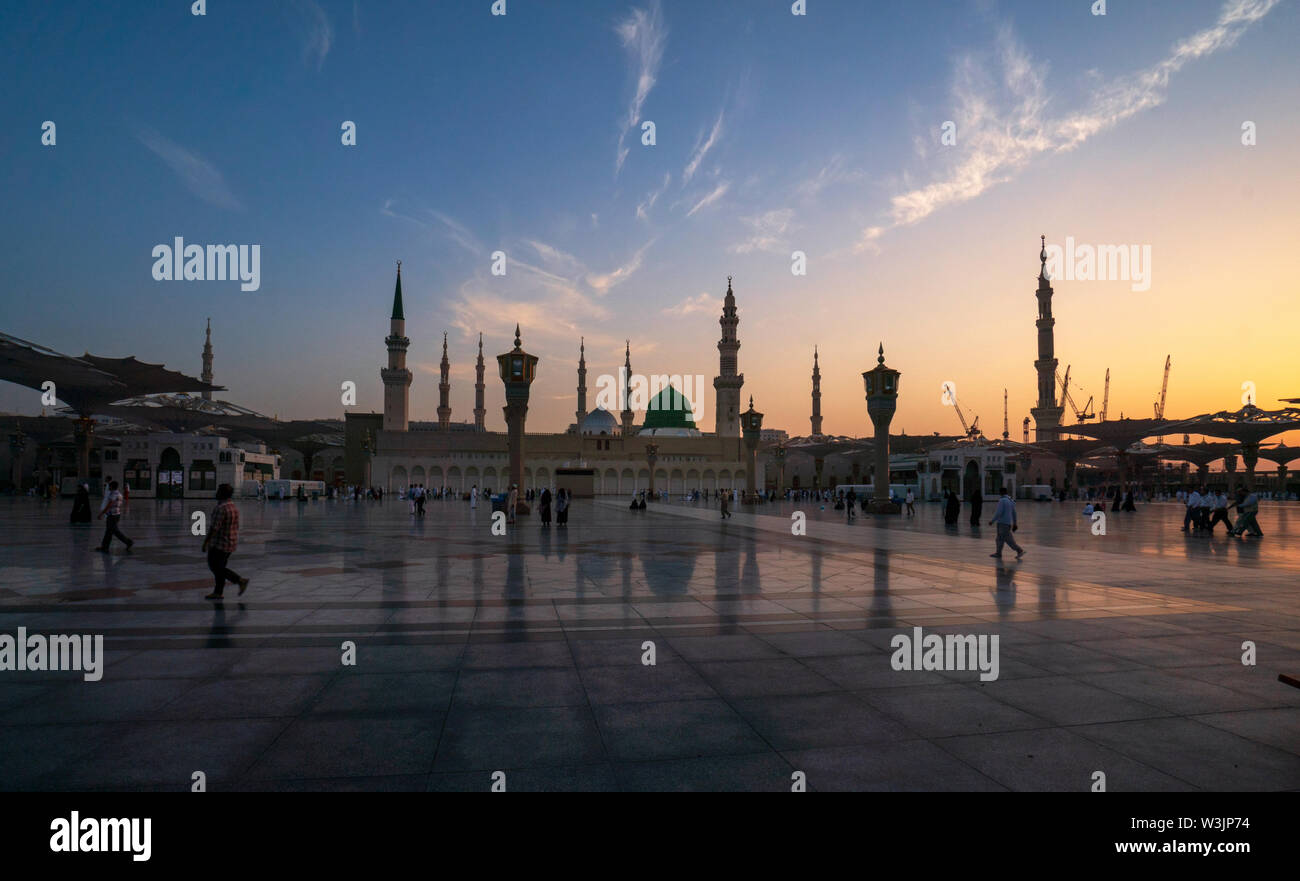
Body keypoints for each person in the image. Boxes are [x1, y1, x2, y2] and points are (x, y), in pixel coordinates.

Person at [202, 483, 249, 600]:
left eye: (218, 491)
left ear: (222, 493)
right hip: (230, 542)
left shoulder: (221, 508)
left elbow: (214, 528)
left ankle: (240, 580)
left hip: (220, 543)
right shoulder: (233, 507)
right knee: (220, 567)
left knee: (215, 566)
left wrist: (206, 542)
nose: (216, 493)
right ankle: (218, 592)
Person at [96, 480, 133, 552]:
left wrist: (101, 513)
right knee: (109, 531)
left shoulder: (113, 494)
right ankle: (105, 547)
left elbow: (109, 505)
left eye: (110, 486)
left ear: (112, 486)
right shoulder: (119, 494)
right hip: (116, 514)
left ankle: (128, 542)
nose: (109, 487)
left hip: (112, 515)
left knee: (114, 531)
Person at [988, 486, 1024, 560]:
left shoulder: (1002, 501)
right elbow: (1014, 513)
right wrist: (1015, 523)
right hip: (1007, 523)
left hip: (1002, 523)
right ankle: (998, 553)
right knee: (999, 539)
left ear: (1001, 492)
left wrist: (992, 520)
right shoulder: (1010, 501)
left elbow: (999, 512)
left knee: (1008, 539)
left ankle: (1019, 550)